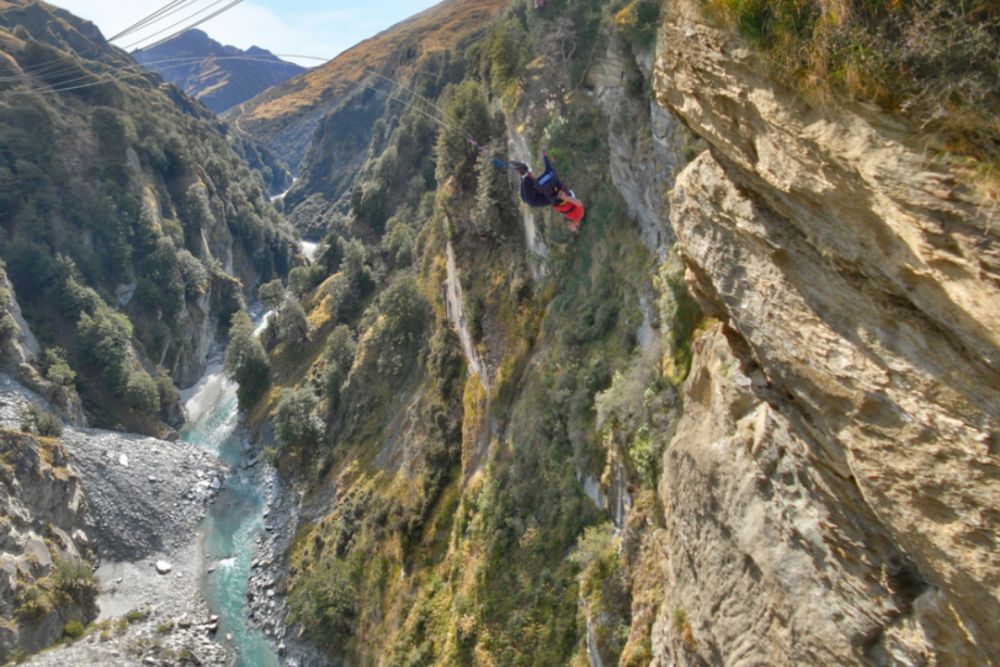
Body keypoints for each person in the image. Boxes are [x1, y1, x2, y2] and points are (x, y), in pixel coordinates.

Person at [510, 153, 585, 231]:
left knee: (524, 198)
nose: (570, 227)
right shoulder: (578, 216)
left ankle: (524, 175)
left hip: (554, 200)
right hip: (558, 197)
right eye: (572, 228)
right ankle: (526, 174)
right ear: (577, 225)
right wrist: (565, 197)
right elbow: (579, 203)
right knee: (532, 201)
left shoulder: (571, 217)